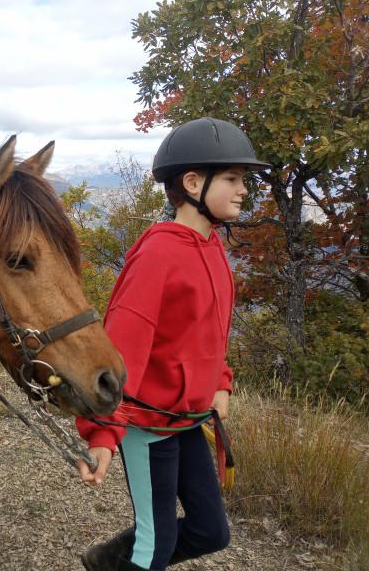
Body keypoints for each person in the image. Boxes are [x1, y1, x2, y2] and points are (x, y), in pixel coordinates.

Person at [75, 117, 270, 571]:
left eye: (243, 180)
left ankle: (107, 559)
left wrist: (220, 383)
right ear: (192, 182)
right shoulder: (159, 254)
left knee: (210, 532)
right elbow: (122, 352)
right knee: (155, 548)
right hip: (148, 423)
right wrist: (103, 433)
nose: (244, 189)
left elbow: (212, 333)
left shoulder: (213, 249)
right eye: (233, 179)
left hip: (187, 419)